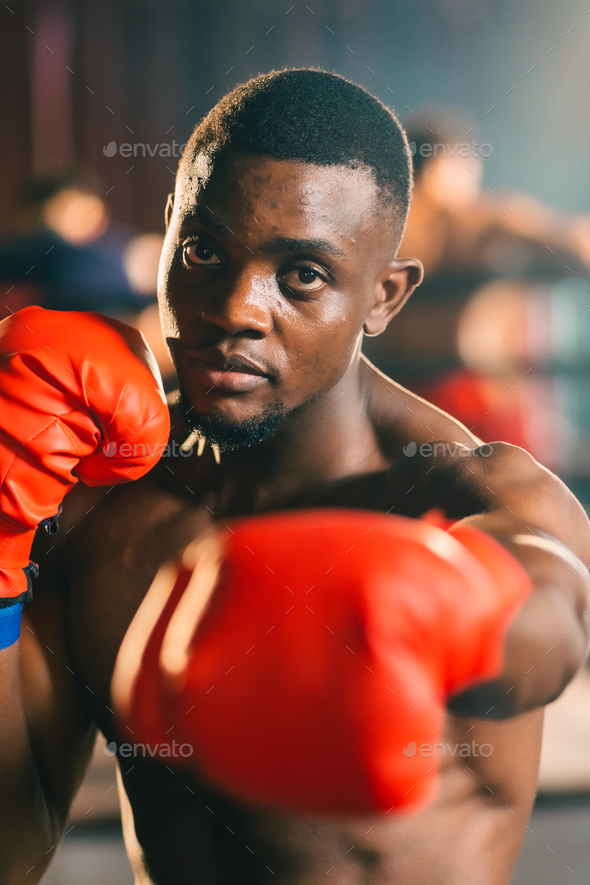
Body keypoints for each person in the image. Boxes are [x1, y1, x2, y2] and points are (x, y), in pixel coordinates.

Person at [1, 69, 589, 885]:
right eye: (204, 250)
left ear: (383, 298)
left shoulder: (466, 496)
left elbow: (552, 614)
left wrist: (450, 609)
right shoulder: (98, 505)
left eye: (303, 274)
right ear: (167, 231)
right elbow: (12, 844)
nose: (236, 306)